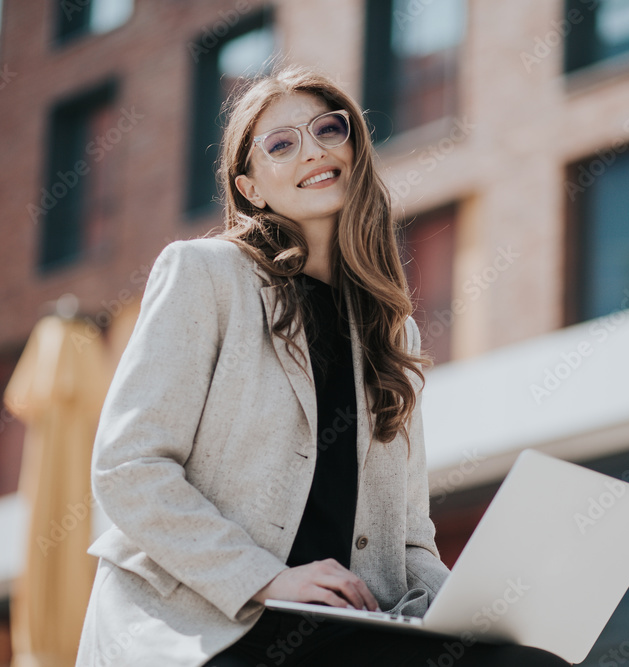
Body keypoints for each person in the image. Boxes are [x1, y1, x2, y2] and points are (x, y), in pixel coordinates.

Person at [74, 65, 570, 667]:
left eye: (328, 130)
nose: (313, 150)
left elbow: (408, 542)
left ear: (354, 150)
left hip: (342, 628)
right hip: (209, 623)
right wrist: (264, 579)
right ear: (250, 188)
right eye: (281, 144)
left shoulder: (392, 331)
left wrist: (477, 618)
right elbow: (130, 467)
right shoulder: (205, 275)